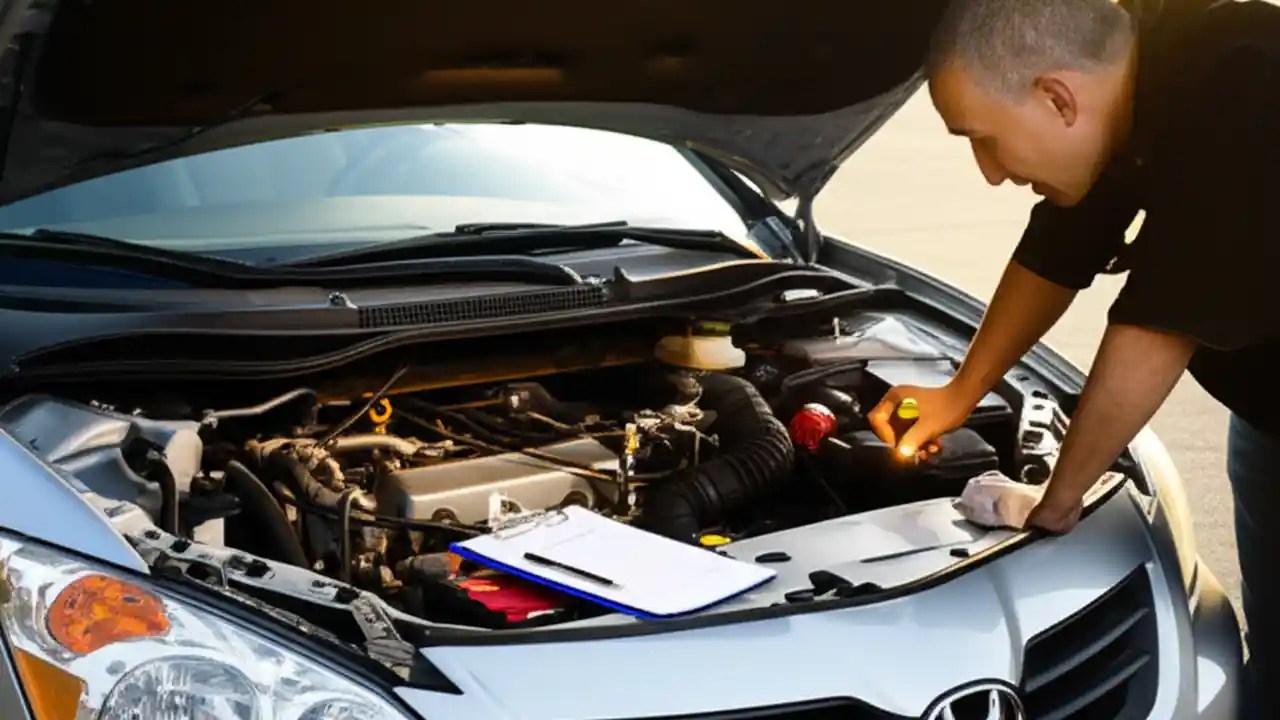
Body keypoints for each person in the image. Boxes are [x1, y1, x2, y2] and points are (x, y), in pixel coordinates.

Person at [866, 0, 1279, 713]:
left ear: (1058, 97)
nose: (990, 172)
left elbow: (1156, 327)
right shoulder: (1138, 81)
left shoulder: (1247, 87)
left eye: (986, 139)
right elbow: (1060, 247)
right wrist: (960, 393)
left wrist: (1055, 503)